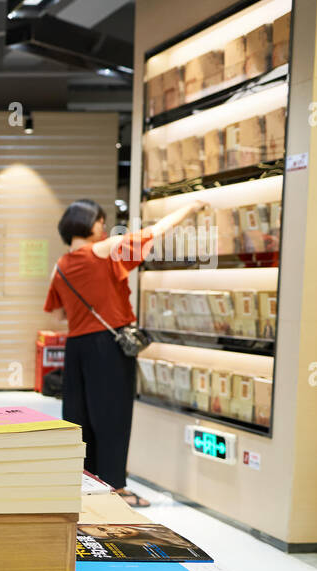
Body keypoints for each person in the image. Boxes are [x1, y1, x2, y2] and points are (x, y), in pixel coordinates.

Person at [44, 197, 207, 507]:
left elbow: (58, 315)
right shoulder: (105, 249)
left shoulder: (60, 266)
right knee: (113, 417)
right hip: (108, 344)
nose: (103, 226)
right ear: (85, 223)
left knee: (80, 417)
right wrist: (191, 207)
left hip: (76, 347)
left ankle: (86, 482)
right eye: (99, 221)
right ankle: (116, 488)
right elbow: (156, 231)